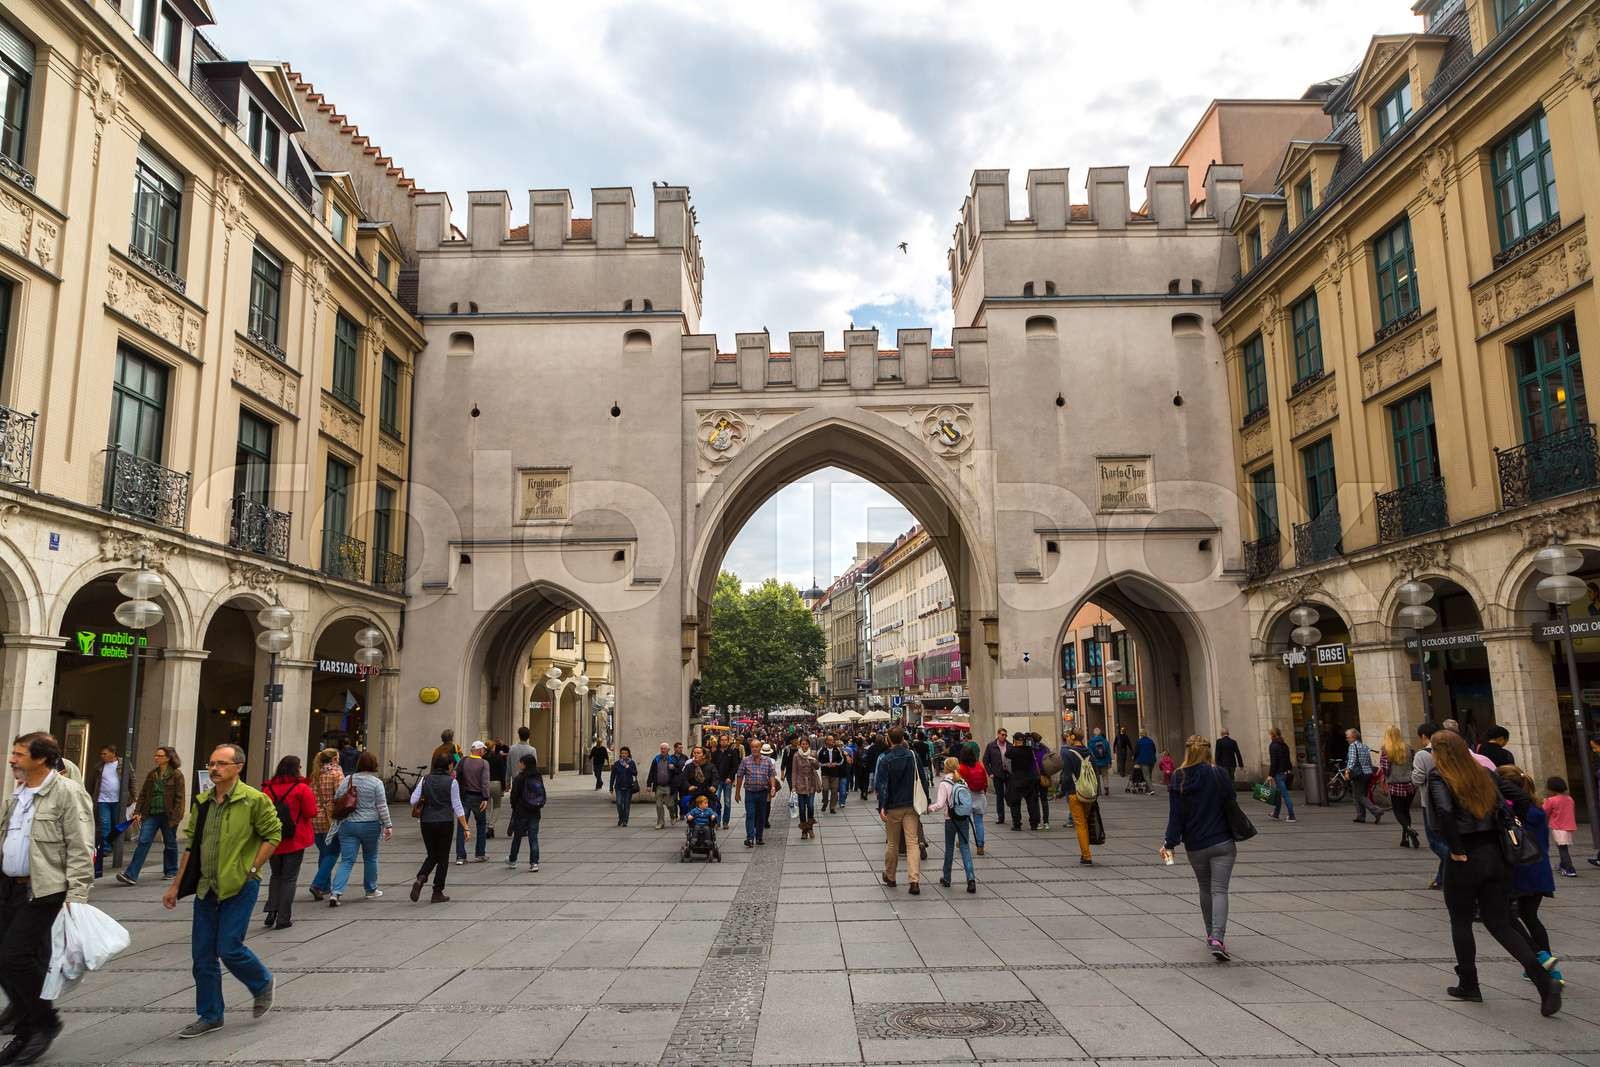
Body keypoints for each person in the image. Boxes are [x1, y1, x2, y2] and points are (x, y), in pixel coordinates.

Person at [1425, 730, 1559, 1015]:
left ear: (1439, 751)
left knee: (1460, 920)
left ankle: (1469, 984)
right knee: (1499, 923)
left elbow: (1445, 813)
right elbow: (1520, 797)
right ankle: (1543, 981)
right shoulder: (1485, 773)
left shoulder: (1440, 775)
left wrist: (1456, 848)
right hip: (1497, 855)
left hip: (1466, 856)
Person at [163, 743, 280, 1040]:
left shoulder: (254, 800)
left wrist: (252, 870)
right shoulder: (202, 802)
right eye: (212, 763)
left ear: (238, 767)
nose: (214, 769)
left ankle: (262, 982)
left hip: (239, 885)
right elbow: (191, 845)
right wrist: (176, 885)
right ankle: (210, 1014)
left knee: (228, 947)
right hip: (206, 886)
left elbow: (273, 834)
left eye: (221, 764)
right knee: (202, 956)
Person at [0, 732, 94, 1062]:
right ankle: (28, 1023)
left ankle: (43, 1022)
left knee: (14, 957)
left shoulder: (67, 793)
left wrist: (78, 894)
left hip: (42, 890)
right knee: (8, 960)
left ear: (40, 759)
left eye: (19, 754)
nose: (12, 759)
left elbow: (81, 846)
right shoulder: (18, 793)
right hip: (9, 886)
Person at [1160, 735, 1238, 962]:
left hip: (1196, 845)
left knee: (1205, 888)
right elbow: (1231, 801)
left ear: (1187, 752)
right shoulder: (1219, 774)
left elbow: (1176, 816)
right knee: (1220, 890)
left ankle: (1210, 934)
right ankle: (1217, 938)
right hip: (1222, 841)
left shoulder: (1179, 777)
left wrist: (1169, 843)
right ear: (1207, 751)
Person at [1499, 766, 1562, 985]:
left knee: (1505, 916)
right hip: (1540, 871)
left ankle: (1539, 958)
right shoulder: (1537, 808)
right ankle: (1549, 966)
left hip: (1522, 872)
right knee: (1530, 916)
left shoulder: (1514, 813)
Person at [326, 751, 392, 906]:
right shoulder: (376, 783)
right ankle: (371, 889)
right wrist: (388, 825)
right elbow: (381, 806)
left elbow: (337, 798)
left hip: (348, 824)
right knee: (371, 857)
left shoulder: (348, 779)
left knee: (347, 860)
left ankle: (336, 892)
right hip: (370, 824)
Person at [260, 756, 317, 931]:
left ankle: (271, 911)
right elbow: (311, 811)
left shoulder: (267, 789)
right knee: (289, 878)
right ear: (296, 769)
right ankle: (284, 917)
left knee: (275, 875)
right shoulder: (301, 788)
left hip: (273, 839)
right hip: (295, 838)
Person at [117, 746, 185, 885]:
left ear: (168, 758)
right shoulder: (152, 774)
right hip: (151, 814)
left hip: (168, 815)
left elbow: (180, 798)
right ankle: (131, 875)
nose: (156, 758)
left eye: (159, 756)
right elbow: (143, 794)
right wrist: (137, 812)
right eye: (155, 755)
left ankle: (171, 870)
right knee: (143, 841)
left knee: (170, 843)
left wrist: (176, 818)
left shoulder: (177, 775)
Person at [409, 754, 469, 902]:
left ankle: (421, 877)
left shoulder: (425, 779)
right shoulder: (452, 782)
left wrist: (425, 798)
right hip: (445, 822)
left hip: (427, 821)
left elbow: (413, 800)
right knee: (443, 857)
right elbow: (457, 806)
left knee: (432, 854)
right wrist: (466, 827)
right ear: (449, 766)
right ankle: (437, 891)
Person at [875, 726, 921, 894]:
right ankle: (914, 881)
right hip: (911, 804)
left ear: (889, 739)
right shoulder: (913, 756)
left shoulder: (886, 759)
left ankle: (890, 876)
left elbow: (882, 786)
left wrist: (882, 807)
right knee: (912, 843)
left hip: (893, 806)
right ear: (903, 739)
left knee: (893, 843)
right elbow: (921, 777)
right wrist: (925, 801)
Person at [1411, 721, 1452, 889]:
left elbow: (1417, 779)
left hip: (1429, 802)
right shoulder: (1450, 751)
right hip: (1449, 800)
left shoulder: (1422, 755)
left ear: (1424, 736)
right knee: (1446, 838)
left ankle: (1457, 862)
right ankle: (1441, 879)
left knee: (1435, 841)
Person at [929, 757, 976, 893]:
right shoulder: (962, 781)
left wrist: (928, 808)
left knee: (949, 848)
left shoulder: (944, 783)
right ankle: (971, 879)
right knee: (965, 847)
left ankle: (947, 877)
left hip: (950, 820)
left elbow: (940, 804)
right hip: (964, 819)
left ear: (946, 767)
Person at [86, 745, 131, 879]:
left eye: (105, 754)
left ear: (113, 754)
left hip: (118, 800)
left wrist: (133, 796)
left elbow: (131, 779)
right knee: (105, 823)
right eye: (101, 754)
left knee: (116, 824)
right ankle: (106, 848)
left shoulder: (124, 764)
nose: (102, 756)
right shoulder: (99, 766)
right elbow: (92, 782)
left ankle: (113, 845)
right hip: (102, 799)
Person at [306, 749, 343, 902]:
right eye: (338, 758)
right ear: (334, 759)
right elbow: (342, 794)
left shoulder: (315, 774)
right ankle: (318, 884)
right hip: (330, 818)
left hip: (315, 818)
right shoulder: (336, 774)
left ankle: (326, 885)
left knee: (324, 852)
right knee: (333, 852)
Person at [1379, 725, 1418, 848]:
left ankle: (1408, 829)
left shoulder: (1386, 749)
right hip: (1410, 784)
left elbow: (1385, 769)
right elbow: (1414, 764)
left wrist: (1384, 779)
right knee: (1406, 811)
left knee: (1398, 811)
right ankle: (1405, 839)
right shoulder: (1408, 748)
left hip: (1396, 784)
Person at [505, 754, 546, 871]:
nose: (519, 764)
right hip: (535, 811)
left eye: (520, 762)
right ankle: (534, 863)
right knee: (533, 837)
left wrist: (514, 807)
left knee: (517, 837)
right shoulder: (538, 776)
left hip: (521, 811)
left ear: (525, 764)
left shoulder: (519, 778)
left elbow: (514, 795)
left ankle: (513, 860)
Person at [1060, 731, 1095, 865]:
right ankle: (1085, 852)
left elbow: (1067, 776)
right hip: (1088, 792)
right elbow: (1095, 771)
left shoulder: (1067, 753)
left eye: (1068, 736)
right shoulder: (1089, 751)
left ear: (1073, 737)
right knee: (1084, 823)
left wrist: (1061, 792)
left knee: (1080, 825)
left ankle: (1086, 856)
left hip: (1074, 792)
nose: (1067, 739)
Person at [734, 743, 778, 847]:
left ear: (760, 748)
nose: (754, 749)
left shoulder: (767, 761)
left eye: (756, 747)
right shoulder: (745, 760)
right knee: (750, 814)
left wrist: (773, 787)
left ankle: (759, 837)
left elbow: (772, 774)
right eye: (752, 747)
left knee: (761, 816)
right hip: (750, 792)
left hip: (763, 792)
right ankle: (749, 838)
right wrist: (737, 792)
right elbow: (740, 776)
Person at [454, 741, 492, 863]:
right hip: (478, 798)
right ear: (480, 750)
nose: (484, 752)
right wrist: (485, 798)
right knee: (481, 824)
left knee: (461, 825)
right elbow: (485, 782)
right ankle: (480, 853)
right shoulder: (484, 763)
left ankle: (460, 856)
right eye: (483, 750)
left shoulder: (463, 761)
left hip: (464, 797)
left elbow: (455, 775)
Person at [1343, 729, 1384, 825]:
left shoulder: (1353, 746)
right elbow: (1369, 760)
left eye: (1348, 737)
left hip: (1359, 774)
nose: (1347, 739)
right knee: (1359, 795)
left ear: (1353, 737)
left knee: (1359, 795)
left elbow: (1352, 760)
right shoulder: (1363, 746)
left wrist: (1347, 771)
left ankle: (1376, 811)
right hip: (1367, 773)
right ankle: (1360, 816)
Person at [955, 744, 989, 856]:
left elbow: (958, 783)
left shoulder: (961, 768)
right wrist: (984, 790)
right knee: (979, 822)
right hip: (979, 796)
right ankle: (980, 846)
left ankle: (962, 841)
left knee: (964, 821)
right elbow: (985, 781)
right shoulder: (979, 766)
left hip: (966, 796)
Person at [1006, 732, 1040, 831]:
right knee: (1031, 803)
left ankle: (1017, 824)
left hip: (1017, 778)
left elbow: (1007, 754)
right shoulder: (1029, 750)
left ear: (1015, 740)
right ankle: (1034, 824)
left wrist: (1014, 745)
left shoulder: (1013, 751)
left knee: (1015, 803)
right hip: (1029, 777)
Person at [1544, 777, 1577, 877]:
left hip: (1558, 827)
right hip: (1568, 826)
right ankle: (1562, 865)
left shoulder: (1551, 800)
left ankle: (1569, 868)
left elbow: (1545, 811)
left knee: (1562, 848)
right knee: (1563, 846)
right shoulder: (1569, 799)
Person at [790, 737, 821, 840]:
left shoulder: (813, 753)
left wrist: (814, 760)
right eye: (802, 744)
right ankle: (804, 830)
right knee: (802, 809)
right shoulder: (796, 755)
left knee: (811, 806)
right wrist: (793, 786)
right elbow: (794, 771)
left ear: (809, 744)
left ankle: (810, 827)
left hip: (811, 782)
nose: (804, 746)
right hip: (800, 783)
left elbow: (817, 767)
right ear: (800, 745)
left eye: (806, 744)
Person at [647, 743, 679, 830]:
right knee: (659, 805)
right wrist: (649, 785)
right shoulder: (656, 759)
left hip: (669, 786)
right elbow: (651, 772)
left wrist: (674, 768)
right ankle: (660, 822)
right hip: (659, 786)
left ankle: (673, 816)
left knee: (670, 804)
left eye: (665, 749)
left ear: (668, 750)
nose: (663, 750)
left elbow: (679, 771)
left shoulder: (672, 759)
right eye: (661, 748)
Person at [1266, 727, 1295, 823]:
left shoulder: (1273, 745)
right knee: (1278, 795)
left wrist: (1270, 775)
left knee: (1285, 795)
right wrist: (1289, 769)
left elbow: (1274, 762)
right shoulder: (1284, 745)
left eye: (1270, 734)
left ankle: (1292, 816)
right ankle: (1276, 814)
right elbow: (1288, 759)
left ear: (1272, 735)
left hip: (1278, 774)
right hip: (1285, 772)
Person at [983, 729, 1010, 829]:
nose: (1004, 737)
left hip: (1008, 774)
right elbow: (985, 760)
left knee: (1009, 795)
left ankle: (1014, 815)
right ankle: (1001, 817)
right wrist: (990, 773)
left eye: (1005, 735)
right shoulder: (991, 746)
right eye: (1002, 735)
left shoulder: (1009, 745)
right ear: (998, 735)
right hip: (997, 774)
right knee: (1000, 796)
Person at [711, 739, 739, 829]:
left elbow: (735, 766)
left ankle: (726, 821)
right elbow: (713, 767)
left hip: (727, 781)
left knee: (727, 802)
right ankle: (717, 821)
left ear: (728, 741)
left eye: (725, 740)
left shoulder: (732, 752)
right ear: (719, 742)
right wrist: (715, 779)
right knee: (716, 800)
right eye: (722, 740)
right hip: (718, 781)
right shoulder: (715, 753)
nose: (723, 742)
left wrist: (730, 777)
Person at [609, 747, 639, 826]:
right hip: (618, 787)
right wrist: (611, 787)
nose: (623, 755)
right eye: (622, 753)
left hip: (629, 786)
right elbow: (612, 776)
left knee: (626, 804)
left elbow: (635, 773)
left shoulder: (631, 763)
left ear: (628, 754)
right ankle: (621, 818)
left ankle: (625, 821)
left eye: (625, 753)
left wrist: (628, 767)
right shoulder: (617, 763)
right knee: (619, 803)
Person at [817, 736, 846, 814]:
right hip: (825, 773)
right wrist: (825, 764)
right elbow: (818, 761)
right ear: (826, 741)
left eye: (832, 740)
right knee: (825, 788)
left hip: (834, 773)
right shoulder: (822, 750)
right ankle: (825, 802)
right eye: (829, 740)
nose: (831, 742)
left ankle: (832, 807)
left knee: (834, 790)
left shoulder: (837, 750)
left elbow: (841, 760)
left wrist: (836, 764)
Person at [506, 727, 537, 795]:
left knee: (516, 803)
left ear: (519, 735)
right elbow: (534, 768)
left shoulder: (512, 749)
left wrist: (507, 782)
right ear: (528, 736)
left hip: (516, 782)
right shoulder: (532, 750)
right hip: (528, 783)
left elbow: (508, 767)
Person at [1087, 728, 1113, 796]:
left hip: (1095, 762)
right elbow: (1108, 752)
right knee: (1105, 775)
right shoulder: (1105, 741)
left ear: (1094, 733)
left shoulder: (1090, 742)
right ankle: (1106, 787)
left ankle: (1098, 791)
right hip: (1104, 761)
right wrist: (1109, 762)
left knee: (1096, 776)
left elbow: (1089, 753)